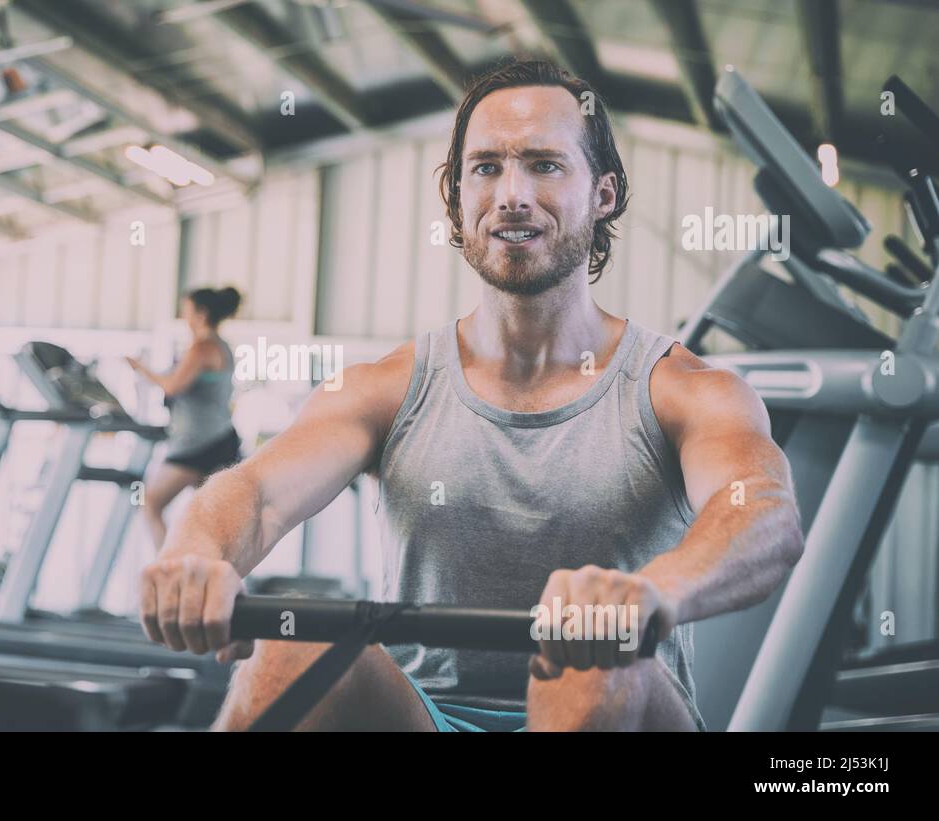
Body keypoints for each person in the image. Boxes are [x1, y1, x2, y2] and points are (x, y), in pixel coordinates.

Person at [137, 60, 804, 731]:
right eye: (486, 167)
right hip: (428, 716)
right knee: (292, 649)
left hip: (617, 706)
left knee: (591, 665)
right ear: (456, 197)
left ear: (602, 193)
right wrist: (193, 554)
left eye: (544, 164)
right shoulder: (390, 386)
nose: (512, 193)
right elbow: (257, 494)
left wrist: (655, 589)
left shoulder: (678, 386)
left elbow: (763, 510)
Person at [127, 287, 243, 550]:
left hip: (197, 444)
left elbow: (172, 386)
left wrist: (140, 367)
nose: (184, 317)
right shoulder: (220, 346)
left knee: (151, 503)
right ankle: (211, 573)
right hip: (218, 438)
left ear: (201, 315)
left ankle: (170, 570)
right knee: (210, 519)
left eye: (187, 312)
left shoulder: (203, 347)